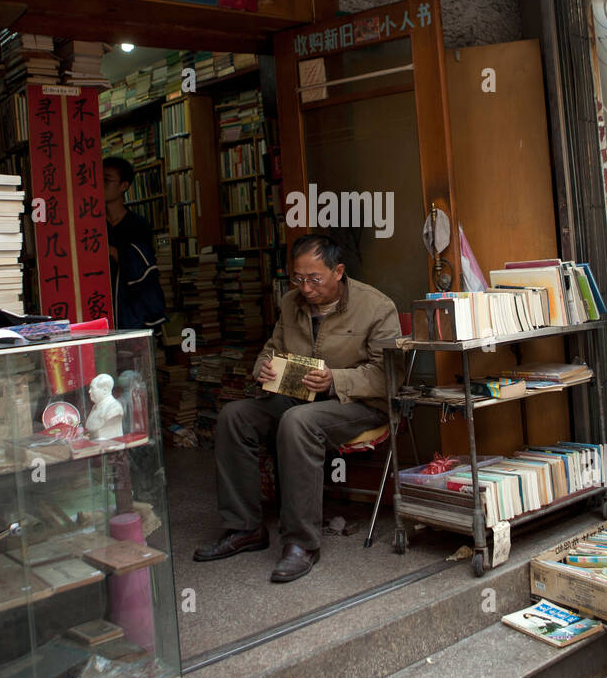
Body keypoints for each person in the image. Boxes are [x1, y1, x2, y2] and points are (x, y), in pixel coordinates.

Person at [194, 233, 401, 582]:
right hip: (300, 398)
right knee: (235, 416)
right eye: (298, 279)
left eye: (314, 279)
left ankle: (302, 543)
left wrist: (335, 379)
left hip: (362, 404)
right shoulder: (291, 303)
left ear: (338, 271)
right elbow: (272, 347)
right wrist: (263, 365)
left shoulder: (377, 307)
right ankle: (244, 527)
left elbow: (388, 376)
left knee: (296, 422)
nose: (305, 288)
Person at [103, 155, 166, 334]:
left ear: (124, 185)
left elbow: (146, 265)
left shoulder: (138, 224)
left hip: (131, 306)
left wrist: (115, 252)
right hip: (101, 299)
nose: (100, 185)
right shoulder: (94, 224)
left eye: (106, 180)